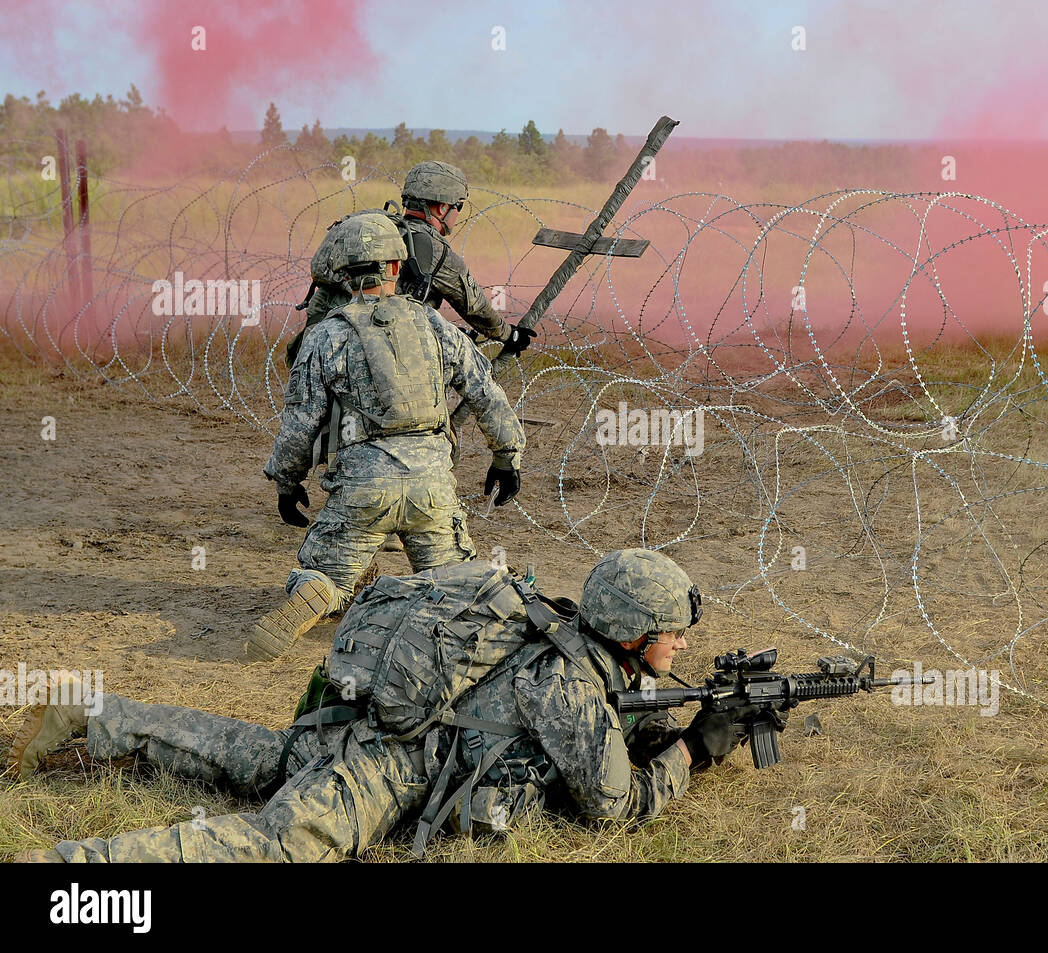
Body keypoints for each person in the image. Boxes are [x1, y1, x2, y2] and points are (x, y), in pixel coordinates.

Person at [5, 550, 752, 863]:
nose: (684, 642)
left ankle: (92, 714)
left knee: (256, 756)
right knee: (274, 846)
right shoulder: (570, 681)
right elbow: (613, 804)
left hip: (352, 725)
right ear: (632, 632)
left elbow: (615, 732)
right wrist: (694, 751)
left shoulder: (555, 628)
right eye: (673, 631)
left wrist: (676, 724)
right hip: (386, 770)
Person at [250, 212, 525, 661]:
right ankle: (464, 610)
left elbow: (300, 423)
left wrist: (286, 481)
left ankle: (319, 592)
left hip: (362, 489)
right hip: (432, 486)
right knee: (456, 584)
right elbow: (484, 392)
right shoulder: (437, 327)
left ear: (342, 273)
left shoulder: (327, 335)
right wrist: (506, 455)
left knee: (327, 576)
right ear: (397, 267)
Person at [288, 160, 535, 366]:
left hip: (319, 349)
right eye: (457, 206)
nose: (458, 213)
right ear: (442, 207)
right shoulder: (433, 248)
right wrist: (510, 335)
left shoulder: (376, 231)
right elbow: (475, 308)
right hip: (380, 358)